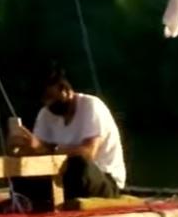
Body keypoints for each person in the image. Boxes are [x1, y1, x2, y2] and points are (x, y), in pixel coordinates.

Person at [7, 69, 127, 202]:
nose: (48, 104)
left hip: (103, 179)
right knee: (21, 170)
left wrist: (47, 149)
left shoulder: (91, 106)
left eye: (51, 97)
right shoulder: (46, 113)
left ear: (65, 90)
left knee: (79, 164)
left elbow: (88, 153)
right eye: (44, 99)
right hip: (61, 178)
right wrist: (21, 149)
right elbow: (38, 151)